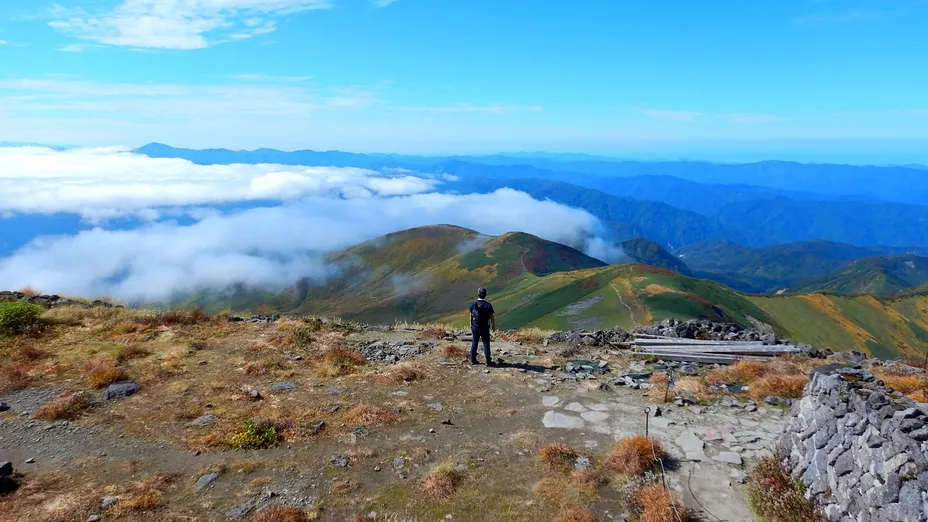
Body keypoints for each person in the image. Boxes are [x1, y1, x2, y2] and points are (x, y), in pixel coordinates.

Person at [469, 287, 496, 366]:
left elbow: (470, 314)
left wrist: (471, 324)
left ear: (478, 294)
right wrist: (493, 325)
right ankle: (488, 361)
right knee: (486, 343)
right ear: (485, 295)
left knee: (474, 342)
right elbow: (491, 317)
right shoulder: (488, 305)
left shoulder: (473, 304)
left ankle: (473, 359)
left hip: (475, 327)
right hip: (484, 327)